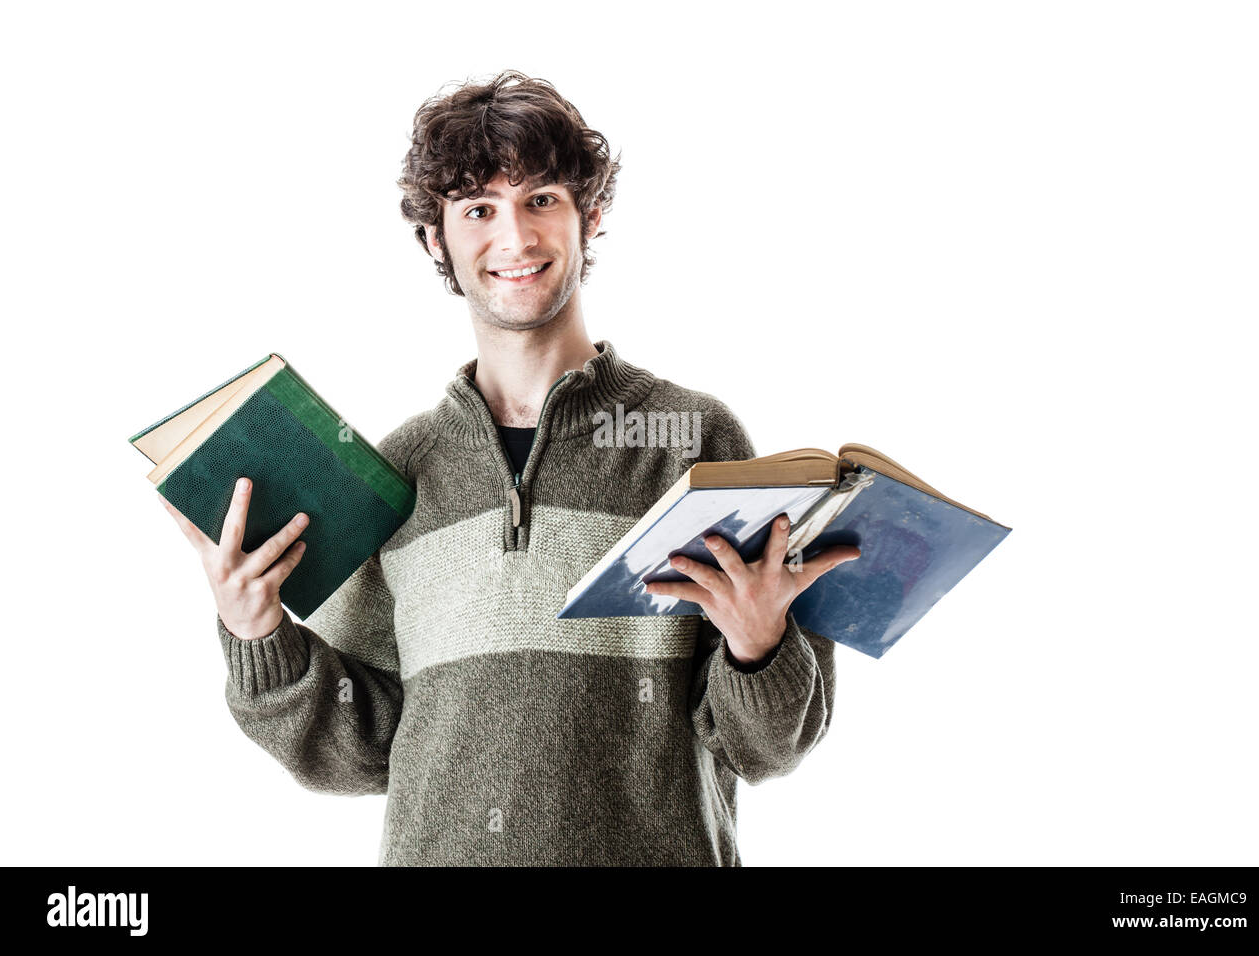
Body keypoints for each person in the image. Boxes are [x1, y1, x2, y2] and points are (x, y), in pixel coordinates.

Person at [162, 69, 860, 866]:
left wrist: (760, 647)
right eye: (478, 209)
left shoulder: (692, 438)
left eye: (541, 200)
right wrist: (256, 632)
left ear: (588, 217)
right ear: (437, 240)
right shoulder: (397, 472)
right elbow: (363, 748)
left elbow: (767, 749)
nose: (515, 239)